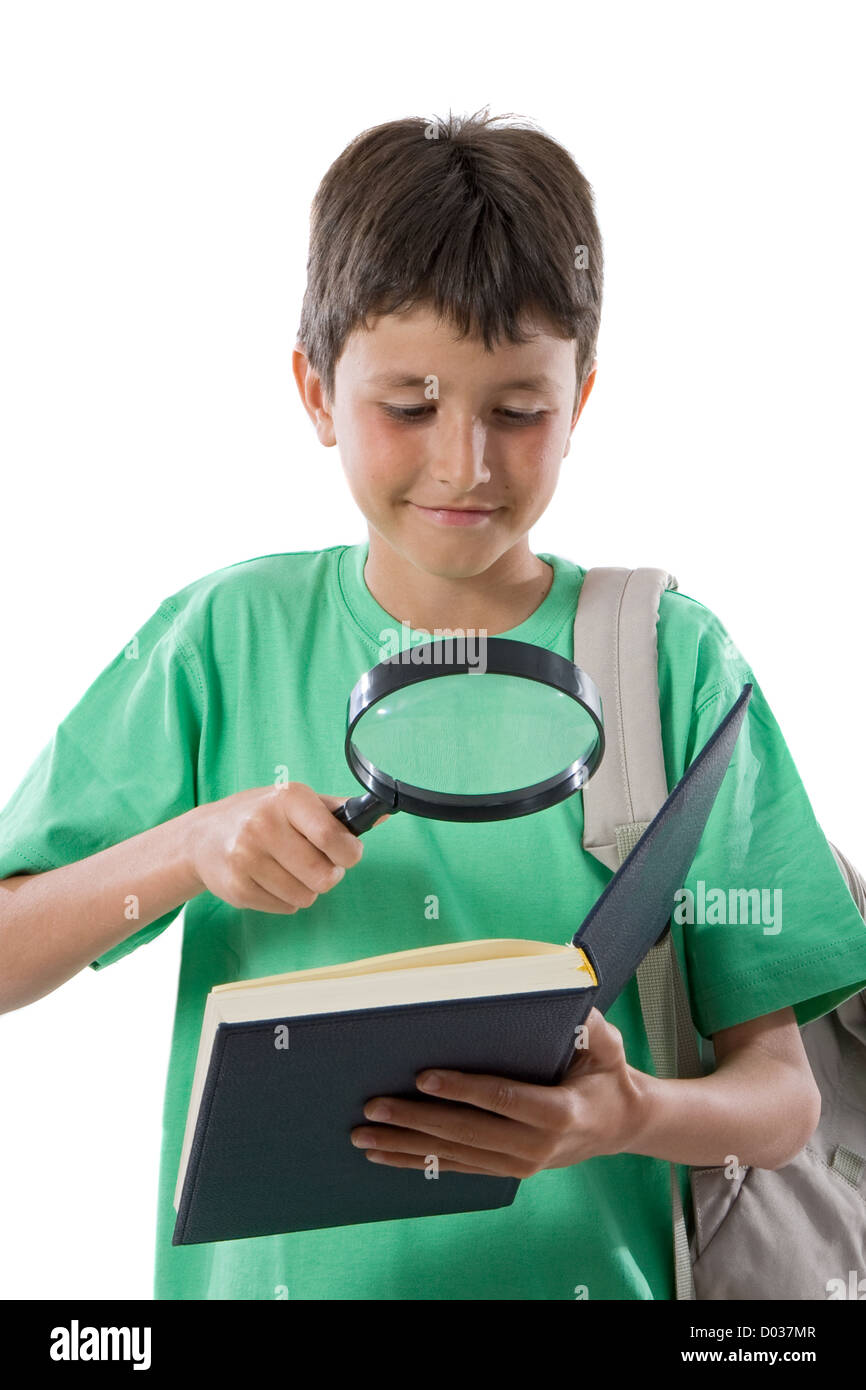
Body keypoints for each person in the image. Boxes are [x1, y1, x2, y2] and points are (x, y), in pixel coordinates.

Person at [1, 109, 864, 1301]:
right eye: (407, 407)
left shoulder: (672, 660)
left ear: (580, 398)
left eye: (518, 411)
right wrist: (190, 848)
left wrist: (623, 1114)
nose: (464, 462)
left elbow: (779, 1100)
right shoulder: (221, 638)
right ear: (315, 391)